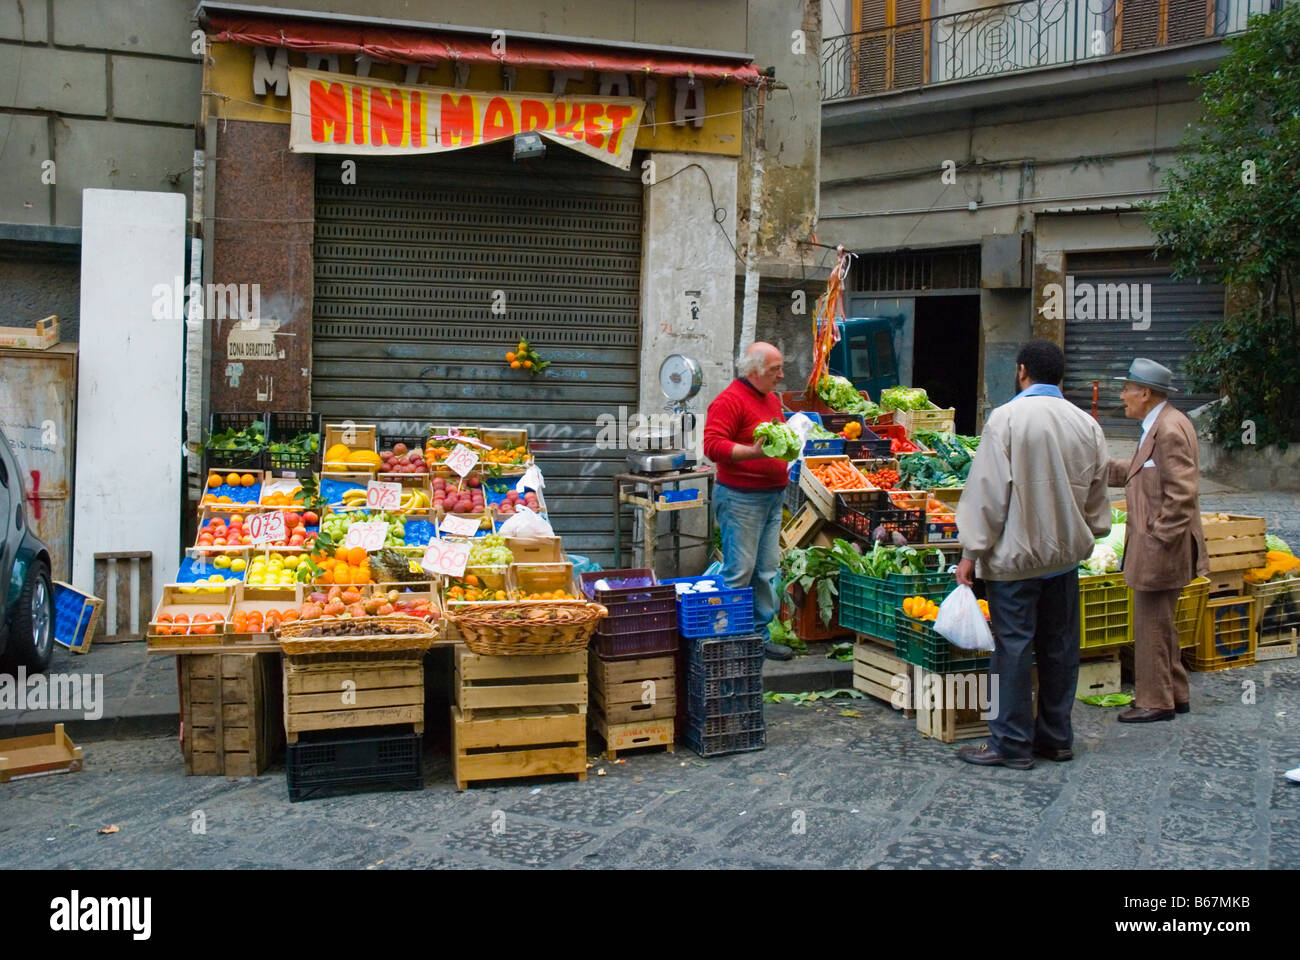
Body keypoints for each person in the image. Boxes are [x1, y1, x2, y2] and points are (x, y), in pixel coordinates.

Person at [954, 340, 1111, 769]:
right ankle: (1056, 738)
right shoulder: (1086, 424)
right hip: (1063, 561)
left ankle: (1011, 743)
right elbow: (1097, 498)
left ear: (1022, 370)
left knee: (1013, 650)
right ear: (1059, 375)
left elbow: (987, 494)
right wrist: (1088, 531)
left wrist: (971, 552)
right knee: (1059, 648)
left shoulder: (1005, 419)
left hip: (1014, 562)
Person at [1107, 358, 1209, 722]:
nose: (1122, 396)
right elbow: (1141, 470)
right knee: (1161, 623)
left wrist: (1158, 538)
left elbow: (1182, 494)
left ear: (1145, 393)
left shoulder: (1167, 429)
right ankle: (1175, 694)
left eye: (1126, 389)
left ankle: (1155, 702)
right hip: (1159, 543)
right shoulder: (1160, 423)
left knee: (1150, 624)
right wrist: (1098, 468)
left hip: (1162, 546)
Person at [702, 342, 792, 659]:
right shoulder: (729, 401)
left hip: (772, 496)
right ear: (754, 370)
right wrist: (752, 452)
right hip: (741, 499)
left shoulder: (771, 399)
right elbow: (712, 446)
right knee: (739, 572)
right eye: (775, 369)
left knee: (766, 571)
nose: (781, 375)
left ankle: (757, 637)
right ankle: (727, 640)